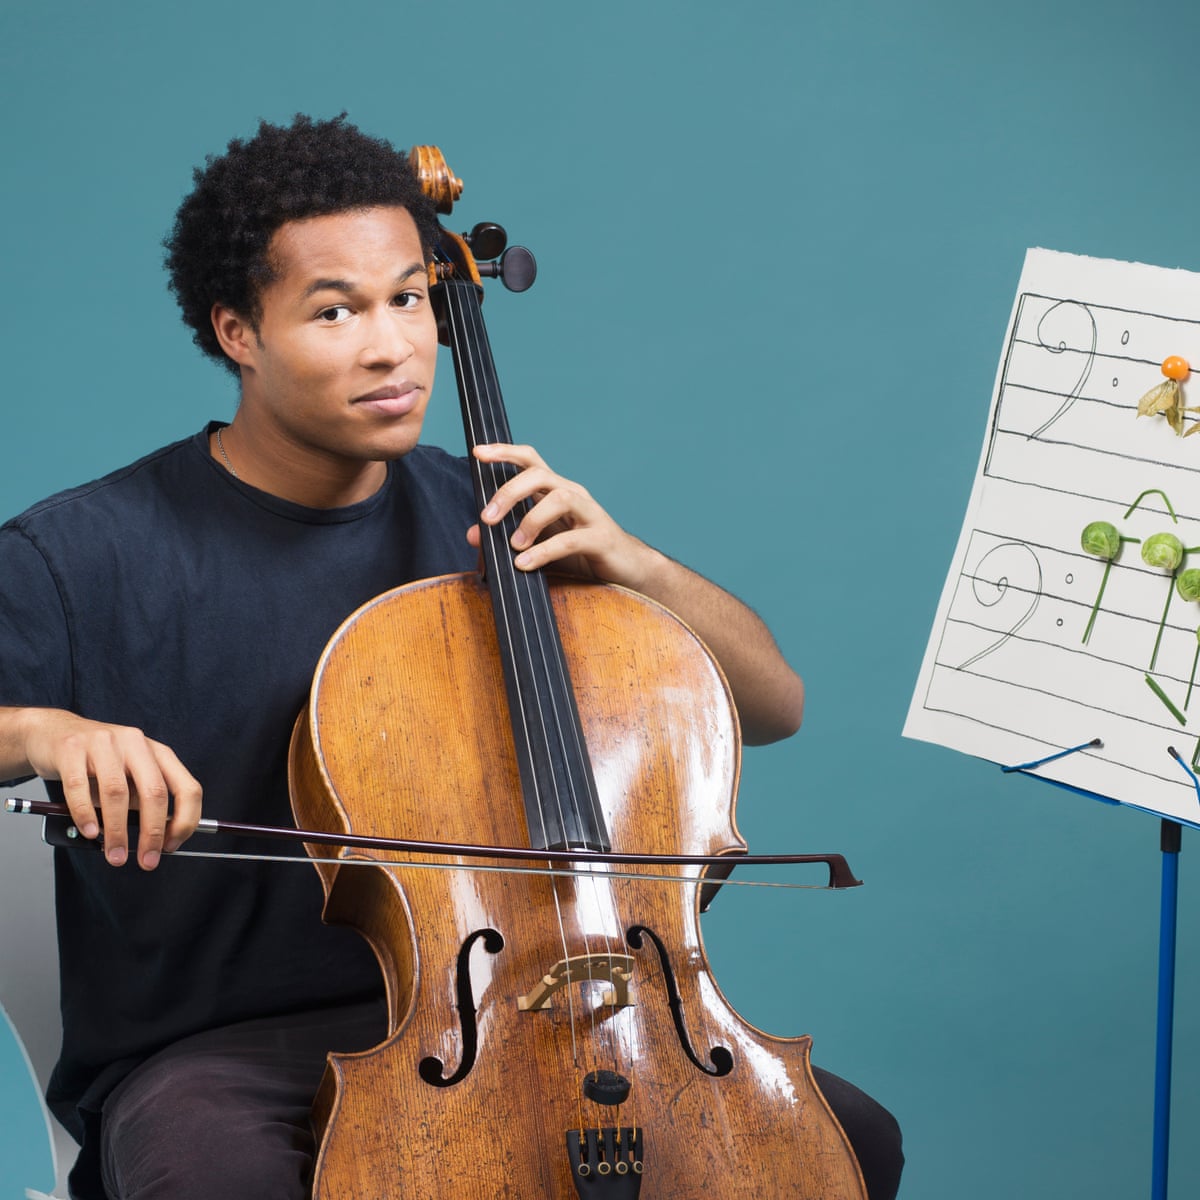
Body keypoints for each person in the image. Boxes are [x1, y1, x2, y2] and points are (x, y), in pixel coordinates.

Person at [0, 115, 902, 1200]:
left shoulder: (501, 520)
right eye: (335, 311)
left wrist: (636, 565)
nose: (393, 347)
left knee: (847, 1142)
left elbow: (774, 706)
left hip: (524, 1007)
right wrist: (45, 729)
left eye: (410, 298)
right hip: (221, 1055)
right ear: (238, 332)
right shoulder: (80, 552)